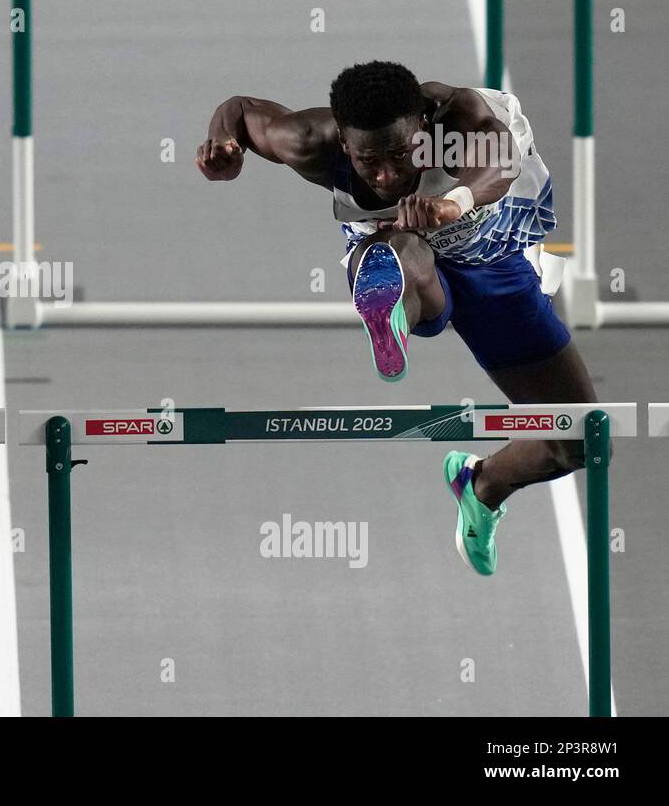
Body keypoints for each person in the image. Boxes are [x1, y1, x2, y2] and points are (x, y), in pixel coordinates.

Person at [195, 60, 600, 576]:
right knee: (402, 251)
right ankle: (394, 313)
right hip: (405, 255)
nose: (386, 175)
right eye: (367, 160)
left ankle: (482, 486)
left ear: (425, 134)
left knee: (578, 437)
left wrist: (454, 202)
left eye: (399, 154)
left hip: (488, 254)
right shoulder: (306, 140)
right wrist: (221, 143)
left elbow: (499, 163)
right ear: (342, 142)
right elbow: (242, 111)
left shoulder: (460, 117)